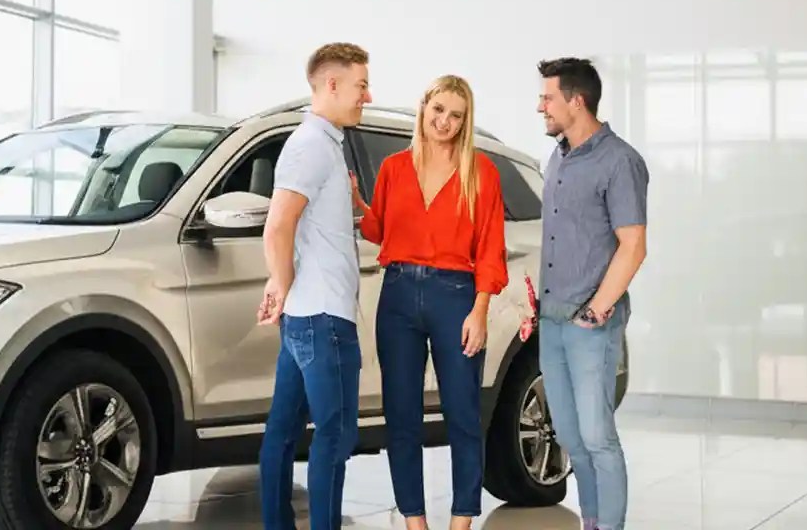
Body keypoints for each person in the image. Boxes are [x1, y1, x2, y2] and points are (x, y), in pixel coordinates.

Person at [354, 74, 507, 530]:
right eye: (438, 109)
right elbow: (380, 229)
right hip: (398, 294)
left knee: (462, 413)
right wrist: (358, 203)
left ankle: (461, 520)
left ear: (465, 122)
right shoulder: (394, 168)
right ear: (424, 108)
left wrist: (479, 311)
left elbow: (490, 249)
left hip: (456, 297)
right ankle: (414, 522)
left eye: (455, 115)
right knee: (402, 415)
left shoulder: (481, 173)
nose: (444, 121)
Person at [257, 41, 372, 530]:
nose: (367, 95)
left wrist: (355, 203)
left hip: (311, 315)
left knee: (283, 431)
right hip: (321, 318)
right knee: (336, 432)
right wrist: (280, 284)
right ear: (331, 84)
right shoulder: (309, 145)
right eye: (361, 85)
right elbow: (278, 226)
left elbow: (315, 227)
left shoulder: (327, 144)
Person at [535, 57, 648, 530]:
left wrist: (597, 312)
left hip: (590, 326)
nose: (540, 106)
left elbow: (634, 245)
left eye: (548, 98)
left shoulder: (620, 161)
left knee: (599, 436)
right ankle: (592, 520)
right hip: (550, 322)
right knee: (568, 435)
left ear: (576, 101)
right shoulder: (557, 157)